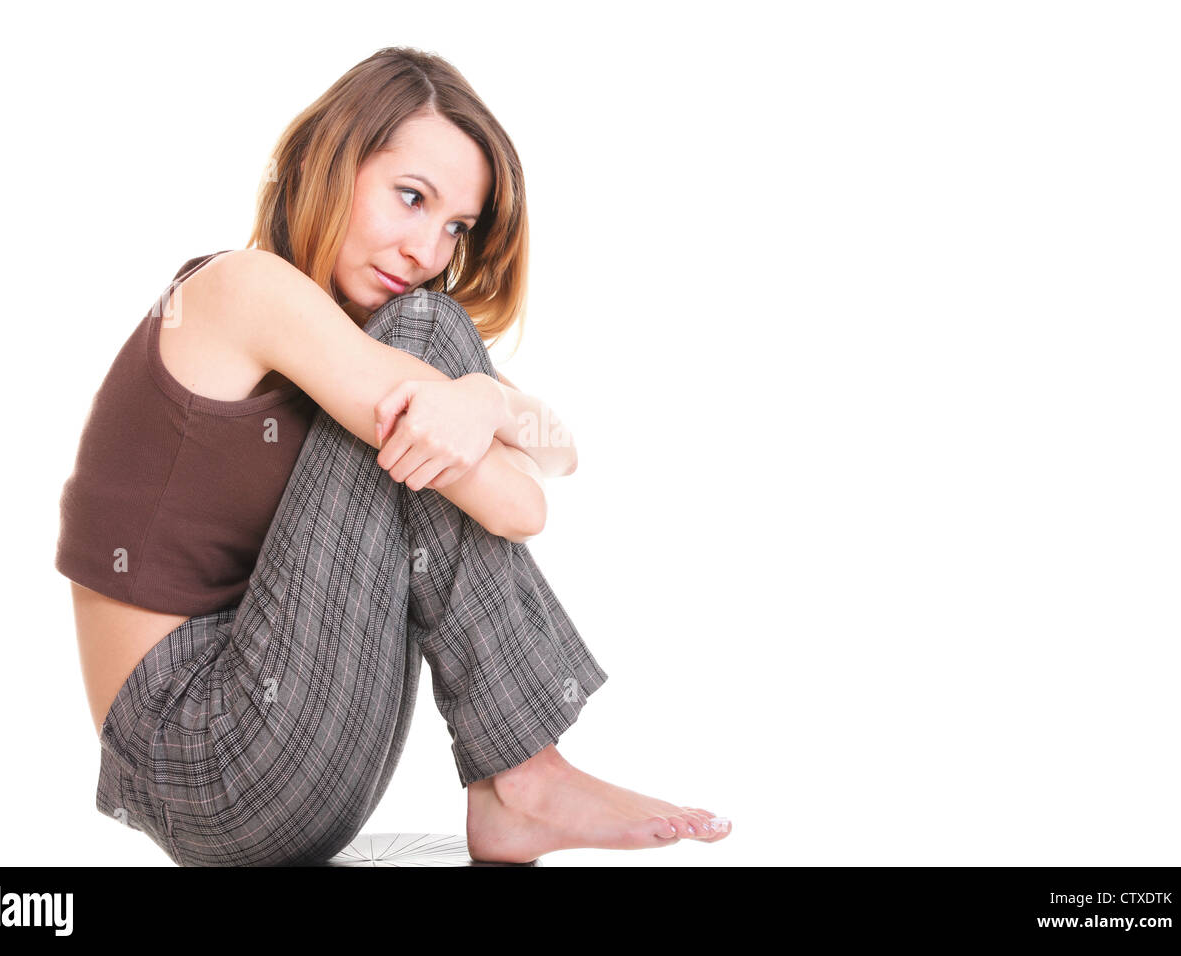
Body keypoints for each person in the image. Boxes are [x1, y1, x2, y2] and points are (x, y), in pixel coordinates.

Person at [56, 45, 732, 866]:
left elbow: (561, 451)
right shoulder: (243, 289)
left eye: (455, 227)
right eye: (410, 198)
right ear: (330, 164)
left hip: (305, 765)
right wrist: (473, 410)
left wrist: (485, 401)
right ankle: (523, 776)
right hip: (202, 754)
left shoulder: (362, 347)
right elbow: (525, 506)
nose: (428, 251)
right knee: (433, 330)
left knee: (434, 345)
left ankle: (517, 783)